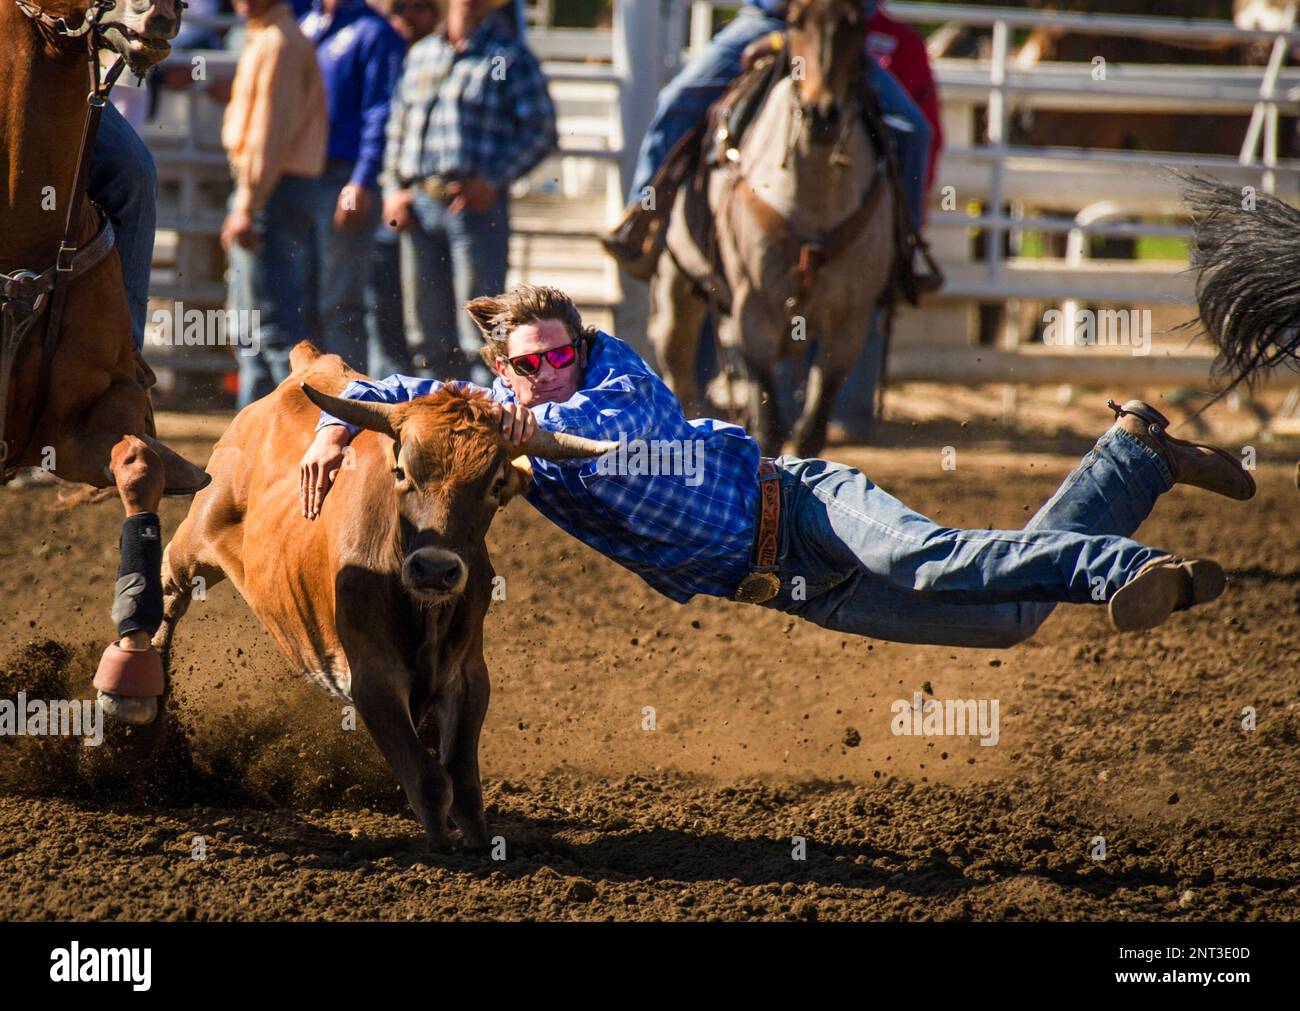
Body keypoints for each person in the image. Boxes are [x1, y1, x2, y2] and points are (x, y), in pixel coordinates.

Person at [299, 284, 1256, 644]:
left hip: (803, 506)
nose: (552, 370)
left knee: (939, 560)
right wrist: (337, 425)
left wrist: (517, 423)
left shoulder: (616, 375)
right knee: (1004, 622)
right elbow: (403, 390)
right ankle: (1133, 459)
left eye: (562, 352)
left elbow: (611, 431)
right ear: (503, 365)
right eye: (531, 362)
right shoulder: (495, 420)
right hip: (787, 583)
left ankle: (1128, 566)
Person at [604, 0, 932, 278]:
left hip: (833, 30)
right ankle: (643, 213)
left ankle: (904, 243)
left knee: (915, 128)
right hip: (768, 21)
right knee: (678, 100)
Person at [380, 0, 557, 382]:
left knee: (480, 330)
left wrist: (492, 180)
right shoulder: (423, 53)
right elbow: (397, 128)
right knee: (425, 333)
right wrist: (394, 189)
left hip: (475, 208)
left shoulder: (510, 58)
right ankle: (435, 420)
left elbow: (540, 131)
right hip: (420, 202)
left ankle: (486, 416)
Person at [221, 0, 329, 408]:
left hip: (271, 190)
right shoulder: (277, 38)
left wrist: (247, 204)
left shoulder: (277, 43)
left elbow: (269, 133)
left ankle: (270, 428)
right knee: (263, 324)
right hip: (277, 188)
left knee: (266, 326)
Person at [298, 0, 406, 367]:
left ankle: (347, 402)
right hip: (302, 175)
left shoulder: (374, 32)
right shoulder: (309, 21)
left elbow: (382, 110)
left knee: (340, 302)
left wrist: (362, 180)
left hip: (342, 175)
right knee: (303, 298)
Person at [364, 0, 442, 379]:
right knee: (382, 303)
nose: (409, 17)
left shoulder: (432, 59)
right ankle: (391, 386)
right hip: (386, 197)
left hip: (425, 200)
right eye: (400, 8)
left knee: (431, 310)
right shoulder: (380, 51)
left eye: (419, 7)